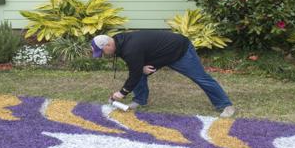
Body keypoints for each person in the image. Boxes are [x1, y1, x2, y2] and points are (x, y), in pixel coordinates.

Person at [93, 31, 235, 117]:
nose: (103, 55)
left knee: (201, 78)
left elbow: (134, 72)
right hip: (160, 54)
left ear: (108, 45)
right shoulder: (119, 42)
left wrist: (122, 93)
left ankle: (225, 105)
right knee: (139, 73)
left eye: (102, 51)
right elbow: (136, 64)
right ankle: (140, 100)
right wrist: (141, 66)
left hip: (179, 50)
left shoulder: (129, 48)